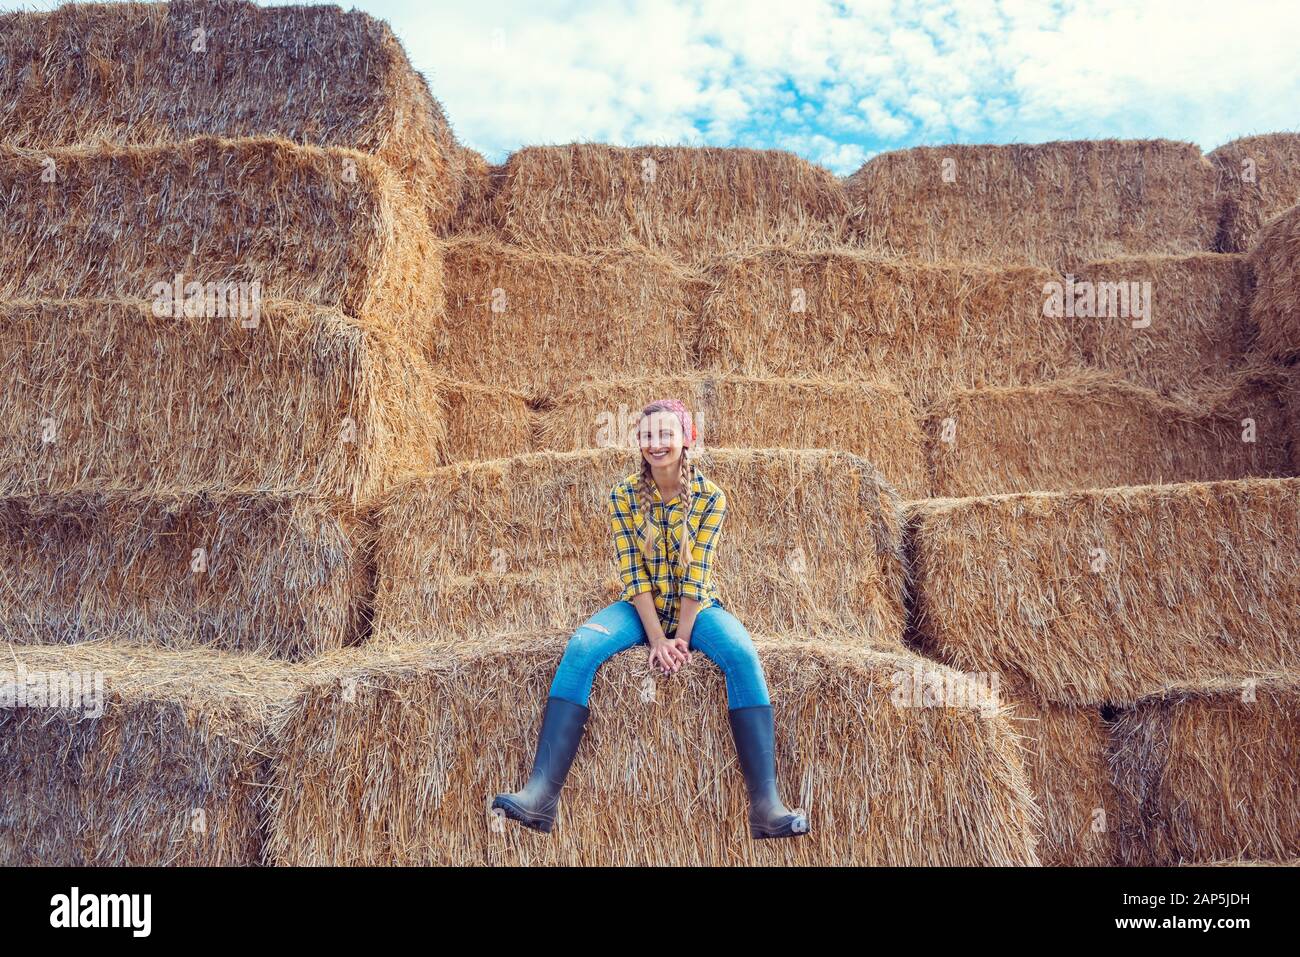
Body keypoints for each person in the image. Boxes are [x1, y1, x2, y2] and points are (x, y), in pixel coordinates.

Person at [491, 398, 810, 840]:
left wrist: (682, 639)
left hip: (697, 609)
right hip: (640, 609)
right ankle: (541, 795)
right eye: (646, 435)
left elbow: (697, 577)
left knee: (740, 653)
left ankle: (766, 806)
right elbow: (633, 574)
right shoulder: (622, 496)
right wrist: (658, 639)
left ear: (686, 439)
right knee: (582, 645)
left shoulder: (711, 498)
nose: (655, 443)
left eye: (665, 434)